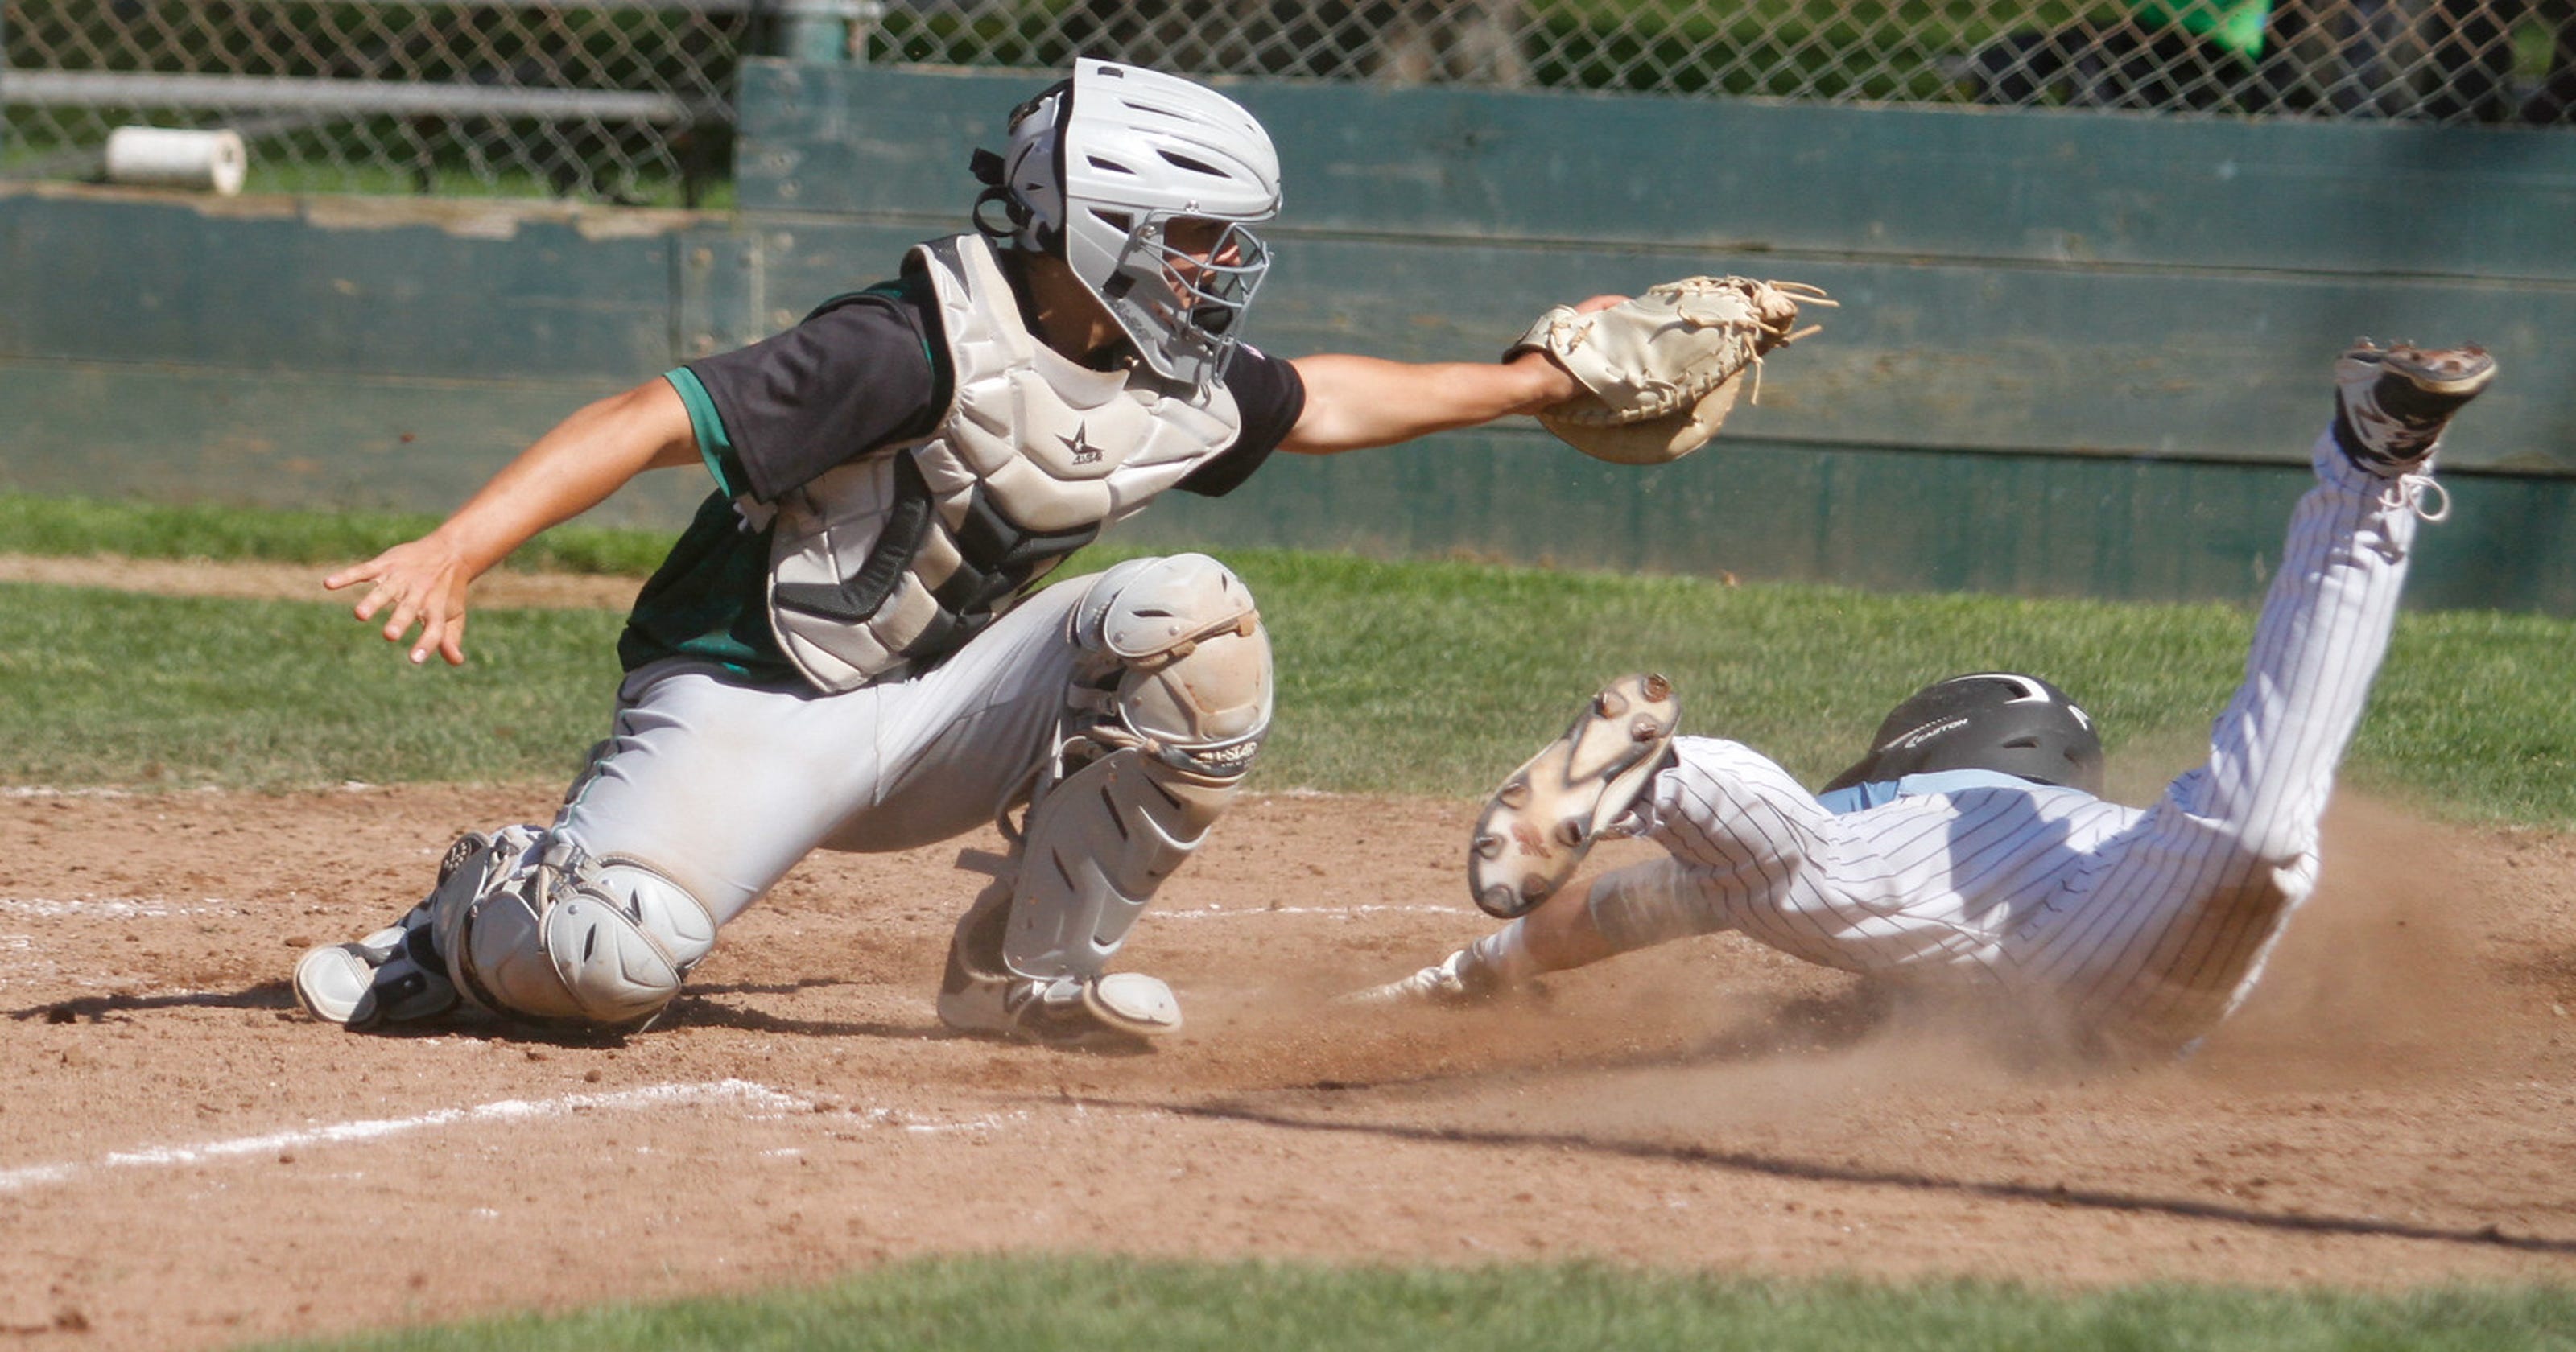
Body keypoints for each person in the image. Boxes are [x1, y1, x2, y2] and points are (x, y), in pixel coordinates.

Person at [291, 59, 1600, 1048]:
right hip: (751, 705)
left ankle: (1026, 983)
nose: (1221, 268)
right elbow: (651, 419)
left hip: (939, 712)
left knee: (1195, 625)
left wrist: (1536, 385)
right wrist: (461, 546)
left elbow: (1325, 400)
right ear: (1099, 230)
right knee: (600, 968)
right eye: (1195, 237)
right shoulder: (911, 340)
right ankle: (472, 915)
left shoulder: (1159, 366)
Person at [1354, 340, 2497, 1058]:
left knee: (1784, 863)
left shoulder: (1893, 809)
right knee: (2255, 835)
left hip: (1961, 892)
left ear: (1924, 741)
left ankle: (1672, 775)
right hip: (2122, 951)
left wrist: (1468, 971)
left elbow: (1619, 913)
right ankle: (2372, 473)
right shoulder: (2096, 824)